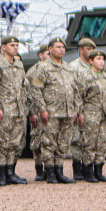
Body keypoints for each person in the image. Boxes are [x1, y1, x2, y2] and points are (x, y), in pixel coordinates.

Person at [27, 37, 79, 184]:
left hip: (67, 112)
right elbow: (36, 90)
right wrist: (42, 109)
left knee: (63, 143)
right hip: (51, 113)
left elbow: (75, 90)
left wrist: (75, 109)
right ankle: (50, 172)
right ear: (50, 49)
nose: (61, 49)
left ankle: (59, 171)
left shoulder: (69, 68)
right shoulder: (43, 68)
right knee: (49, 143)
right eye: (58, 47)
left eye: (63, 47)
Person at [0, 35, 30, 185]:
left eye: (17, 45)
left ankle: (11, 172)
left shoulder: (19, 64)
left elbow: (23, 86)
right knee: (3, 142)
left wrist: (23, 105)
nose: (15, 47)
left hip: (18, 110)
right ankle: (2, 175)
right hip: (4, 109)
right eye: (12, 45)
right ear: (3, 47)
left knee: (16, 143)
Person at [75, 50, 106, 183]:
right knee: (89, 142)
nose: (101, 62)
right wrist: (80, 113)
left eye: (103, 59)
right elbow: (78, 96)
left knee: (103, 142)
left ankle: (99, 170)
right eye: (98, 59)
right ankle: (88, 170)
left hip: (105, 115)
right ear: (91, 61)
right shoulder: (85, 76)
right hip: (91, 113)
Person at [66, 38, 97, 178]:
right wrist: (75, 110)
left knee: (90, 139)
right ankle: (77, 169)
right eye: (88, 49)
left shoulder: (94, 67)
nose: (91, 51)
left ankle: (88, 167)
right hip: (78, 107)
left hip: (93, 109)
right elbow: (71, 90)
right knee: (77, 139)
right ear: (81, 50)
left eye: (92, 49)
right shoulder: (73, 67)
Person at [27, 43, 51, 180]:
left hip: (52, 111)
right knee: (37, 141)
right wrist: (32, 113)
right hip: (37, 111)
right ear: (41, 55)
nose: (49, 56)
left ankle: (50, 169)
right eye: (47, 54)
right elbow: (28, 94)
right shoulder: (32, 72)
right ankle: (39, 169)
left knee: (51, 140)